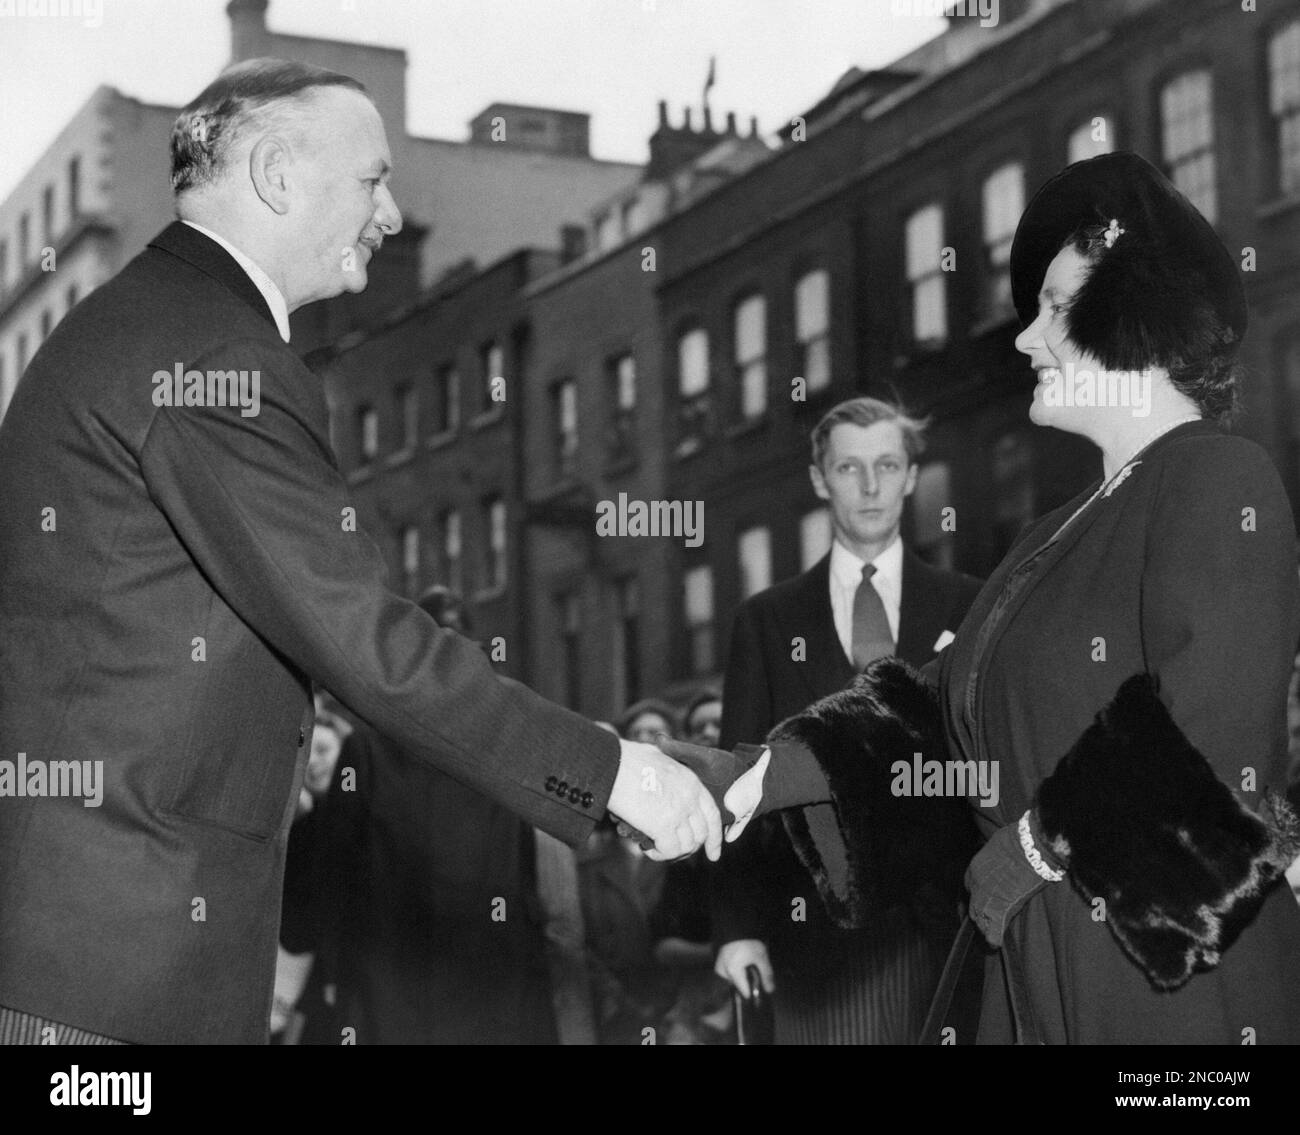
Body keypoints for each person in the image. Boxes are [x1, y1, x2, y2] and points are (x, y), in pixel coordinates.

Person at [0, 59, 720, 1046]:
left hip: (87, 953)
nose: (389, 213)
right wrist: (615, 774)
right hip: (118, 974)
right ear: (278, 174)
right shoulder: (218, 357)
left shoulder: (152, 323)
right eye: (373, 179)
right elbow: (370, 646)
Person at [721, 151, 1300, 1044]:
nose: (1027, 338)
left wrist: (1036, 846)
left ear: (1137, 321)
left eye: (1056, 309)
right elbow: (935, 716)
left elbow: (1212, 744)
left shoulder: (1220, 480)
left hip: (1165, 1008)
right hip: (1033, 974)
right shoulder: (1053, 535)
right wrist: (754, 776)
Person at [710, 397, 982, 1044]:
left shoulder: (969, 604)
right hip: (820, 952)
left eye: (887, 464)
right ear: (818, 479)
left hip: (952, 933)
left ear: (912, 476)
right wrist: (736, 927)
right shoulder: (768, 621)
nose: (869, 486)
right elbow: (736, 785)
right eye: (848, 467)